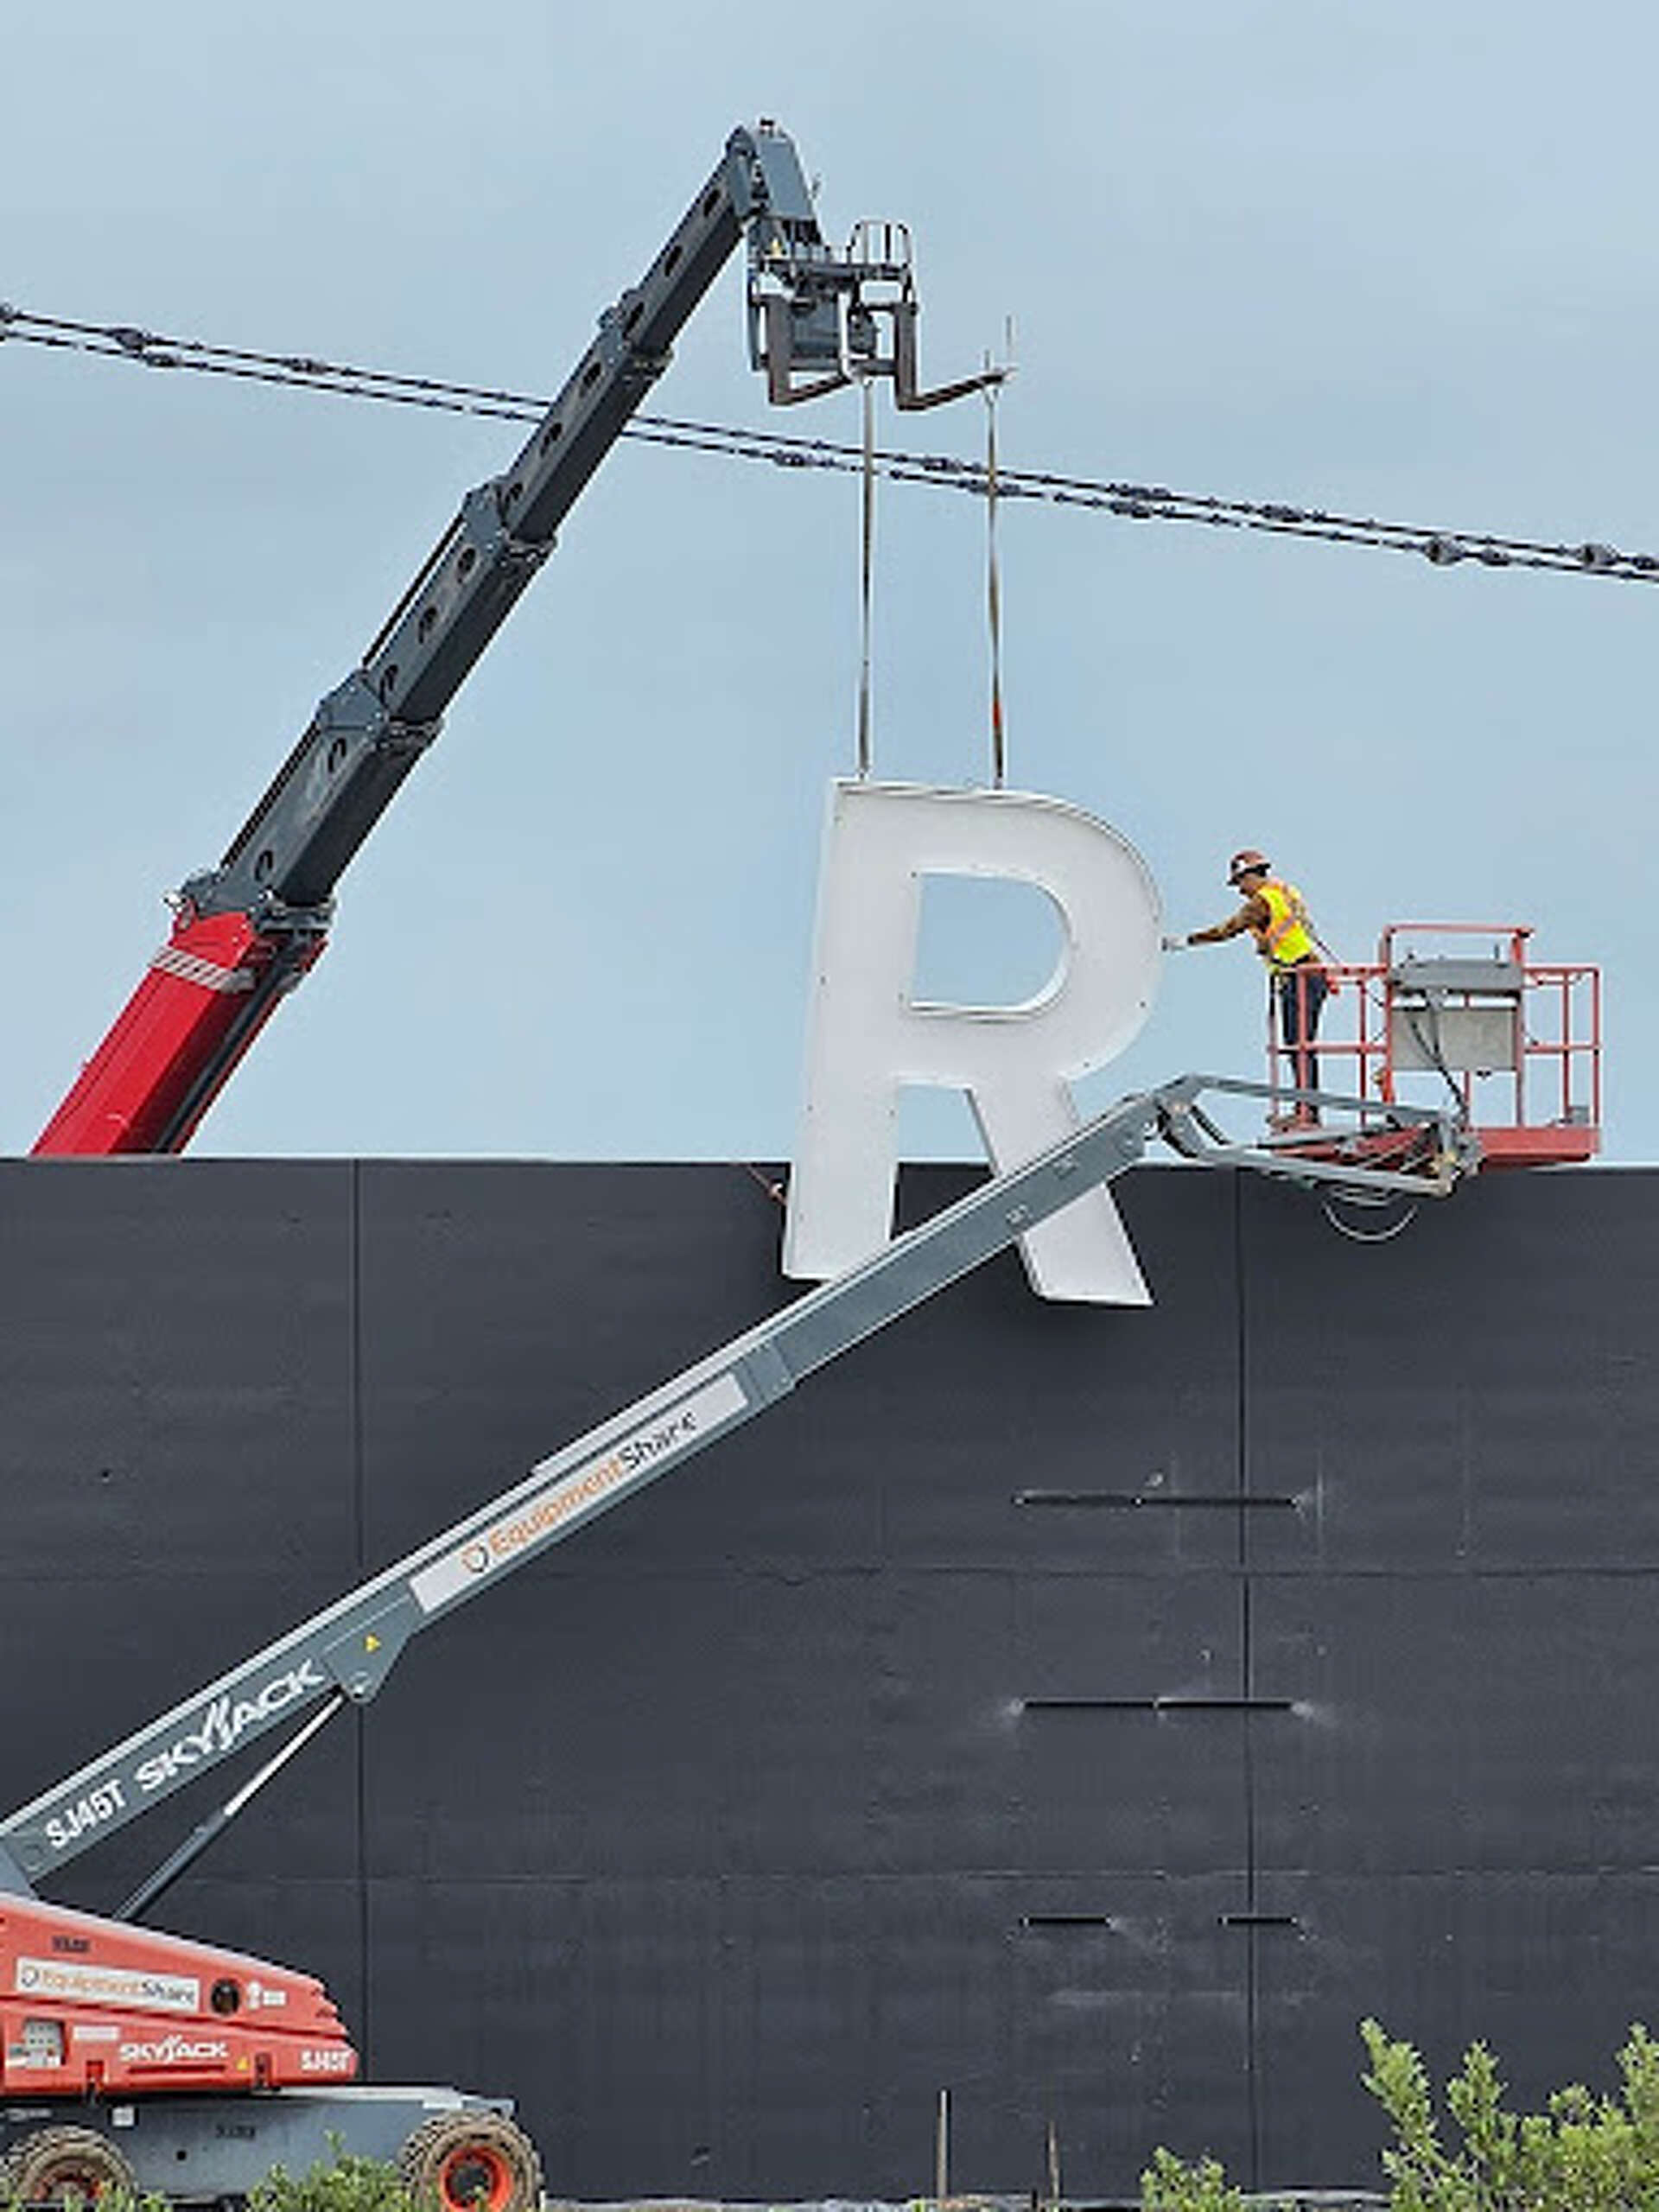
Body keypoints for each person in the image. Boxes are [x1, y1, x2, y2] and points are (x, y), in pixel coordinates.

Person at [1166, 849, 1332, 1127]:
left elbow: (1228, 929)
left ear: (1250, 876)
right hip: (1309, 974)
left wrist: (1187, 941)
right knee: (1302, 1045)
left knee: (1299, 1045)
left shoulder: (1261, 903)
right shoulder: (1285, 893)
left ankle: (1308, 1111)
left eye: (1240, 883)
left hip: (1300, 976)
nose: (1240, 891)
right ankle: (1307, 1108)